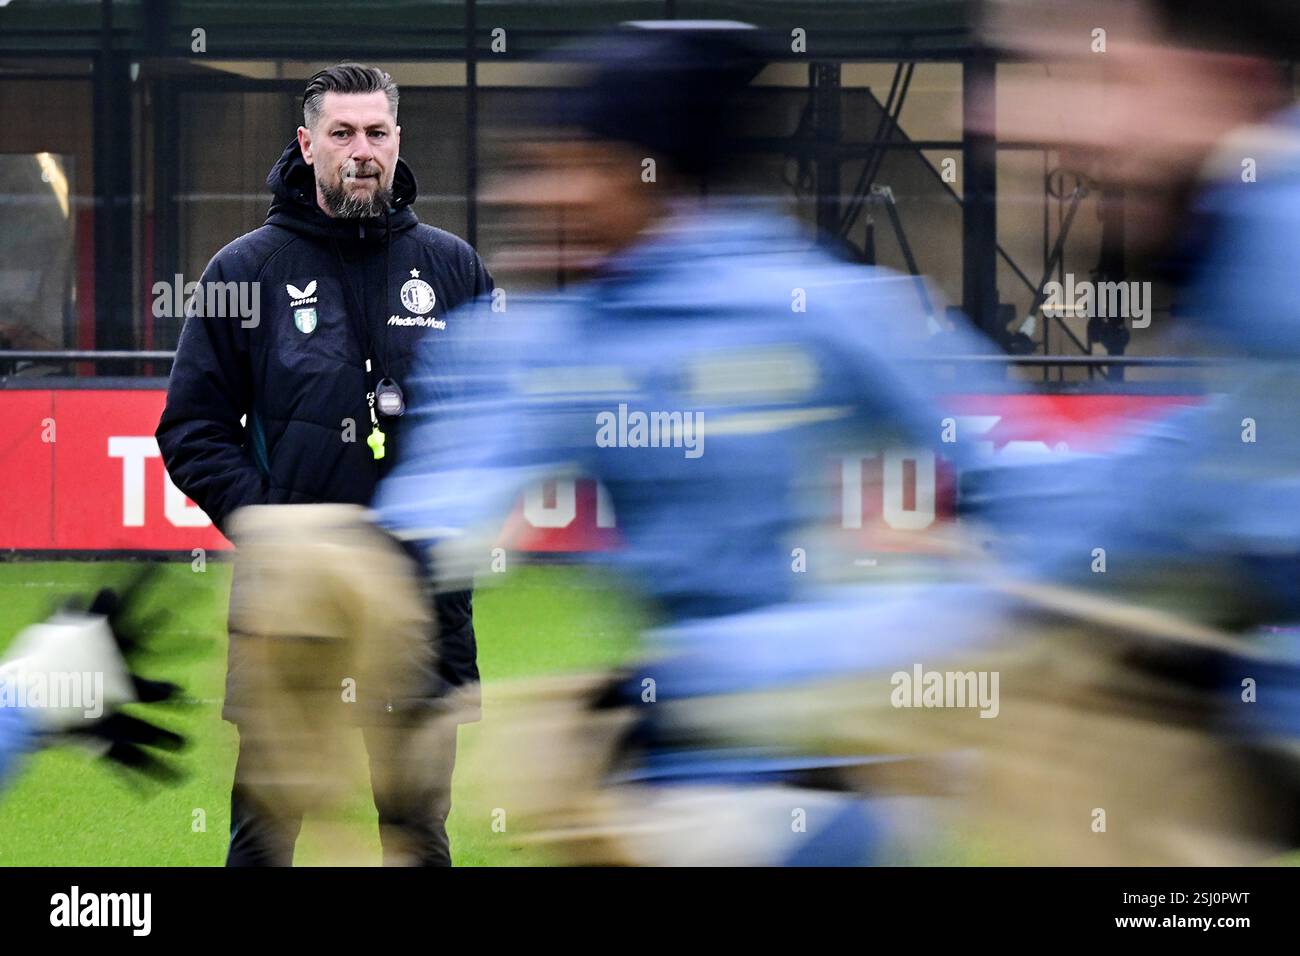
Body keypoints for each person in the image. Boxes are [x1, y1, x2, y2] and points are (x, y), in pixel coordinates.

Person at [372, 24, 992, 865]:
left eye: (561, 165)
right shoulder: (534, 343)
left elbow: (1024, 492)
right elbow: (436, 515)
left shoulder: (832, 311)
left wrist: (671, 690)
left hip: (840, 761)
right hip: (669, 765)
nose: (526, 195)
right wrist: (338, 569)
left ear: (644, 173)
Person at [156, 63, 492, 866]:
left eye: (376, 133)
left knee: (415, 836)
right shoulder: (244, 272)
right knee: (266, 838)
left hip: (420, 607)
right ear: (307, 145)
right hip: (292, 608)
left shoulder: (453, 269)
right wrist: (279, 531)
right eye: (341, 134)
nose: (361, 151)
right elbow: (192, 429)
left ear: (398, 141)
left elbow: (496, 423)